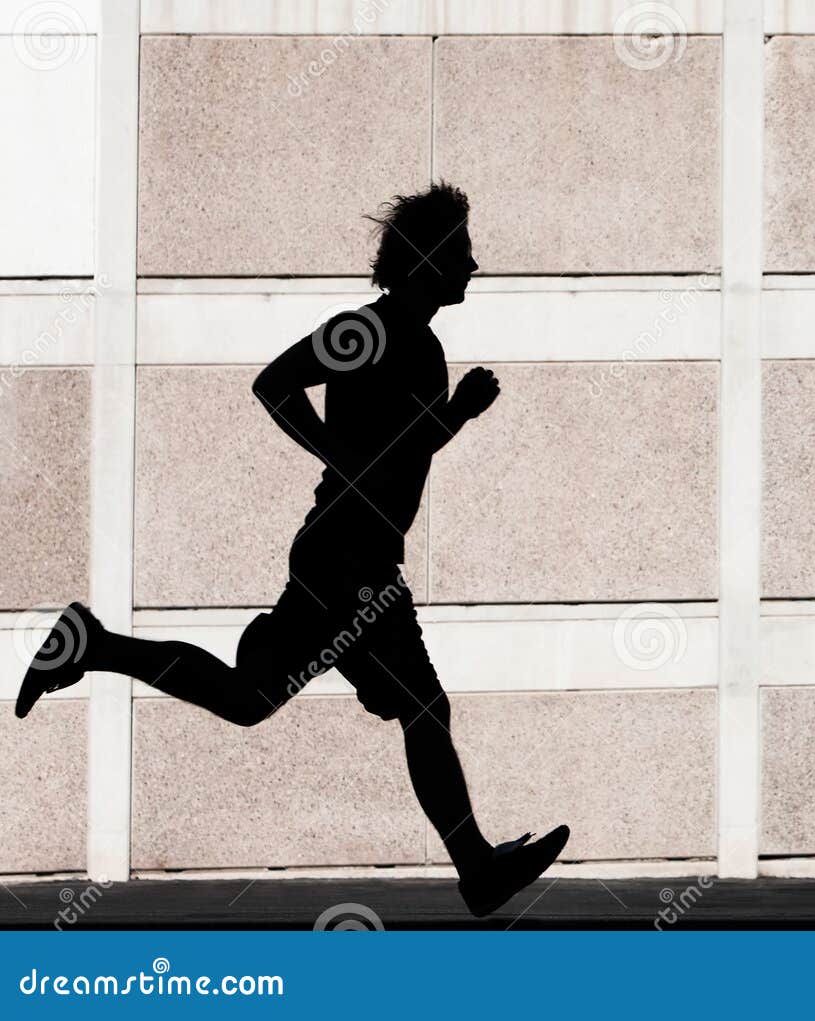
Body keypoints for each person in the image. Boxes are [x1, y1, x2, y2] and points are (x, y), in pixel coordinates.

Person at [15, 182, 566, 918]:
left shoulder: (423, 346)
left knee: (250, 699)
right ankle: (477, 870)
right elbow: (274, 383)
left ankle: (93, 643)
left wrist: (451, 417)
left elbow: (397, 456)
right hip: (350, 559)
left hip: (347, 553)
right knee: (424, 708)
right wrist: (344, 453)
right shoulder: (366, 331)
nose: (475, 263)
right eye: (462, 249)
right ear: (430, 257)